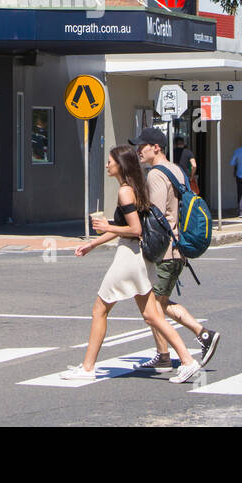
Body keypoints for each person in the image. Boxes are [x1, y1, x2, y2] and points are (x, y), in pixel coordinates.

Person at [61, 145, 202, 384]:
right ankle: (188, 361)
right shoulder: (135, 188)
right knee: (152, 315)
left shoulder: (125, 192)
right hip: (138, 257)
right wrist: (93, 244)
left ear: (121, 165)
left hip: (127, 258)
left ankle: (87, 368)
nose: (107, 165)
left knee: (99, 310)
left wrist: (107, 227)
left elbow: (134, 230)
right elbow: (129, 227)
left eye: (110, 161)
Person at [130, 127, 221, 372]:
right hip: (176, 248)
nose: (138, 151)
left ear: (156, 148)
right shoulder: (177, 171)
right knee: (156, 304)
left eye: (142, 146)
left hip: (165, 250)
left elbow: (156, 215)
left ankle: (202, 334)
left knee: (154, 307)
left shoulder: (156, 175)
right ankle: (163, 355)